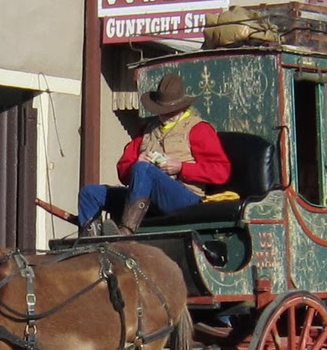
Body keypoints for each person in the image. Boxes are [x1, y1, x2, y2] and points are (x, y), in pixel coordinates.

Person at [76, 73, 231, 234]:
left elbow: (221, 171)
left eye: (171, 111)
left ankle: (126, 231)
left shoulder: (198, 129)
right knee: (90, 193)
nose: (166, 115)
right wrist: (136, 163)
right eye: (162, 110)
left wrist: (181, 168)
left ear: (182, 107)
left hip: (185, 198)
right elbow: (123, 170)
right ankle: (90, 240)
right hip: (144, 199)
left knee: (144, 169)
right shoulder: (147, 130)